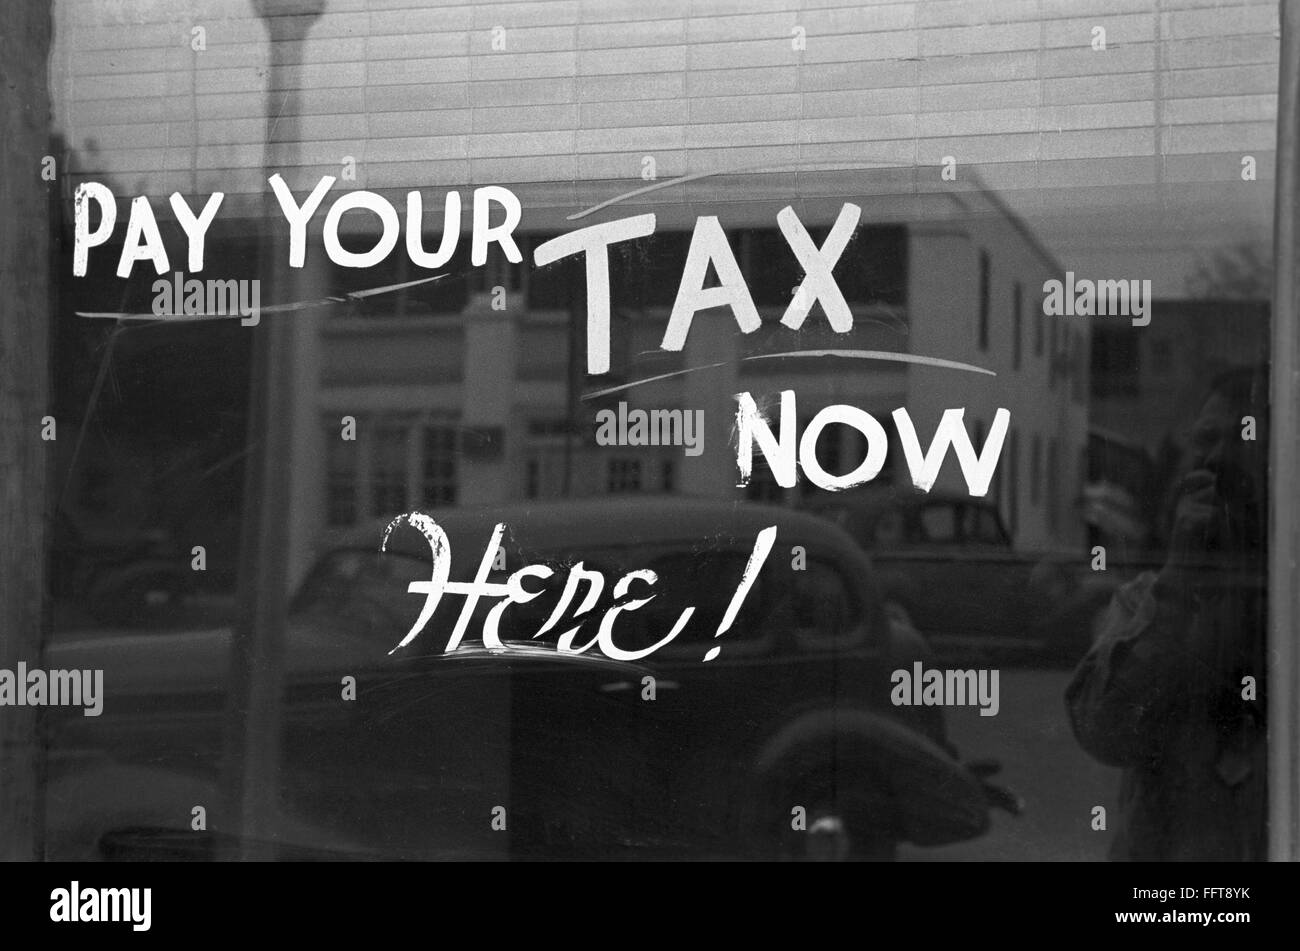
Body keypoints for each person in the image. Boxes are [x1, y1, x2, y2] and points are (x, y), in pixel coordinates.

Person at [1065, 366, 1268, 861]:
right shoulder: (1148, 604)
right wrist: (1180, 582)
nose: (1219, 458)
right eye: (1206, 440)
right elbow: (1103, 730)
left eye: (1244, 438)